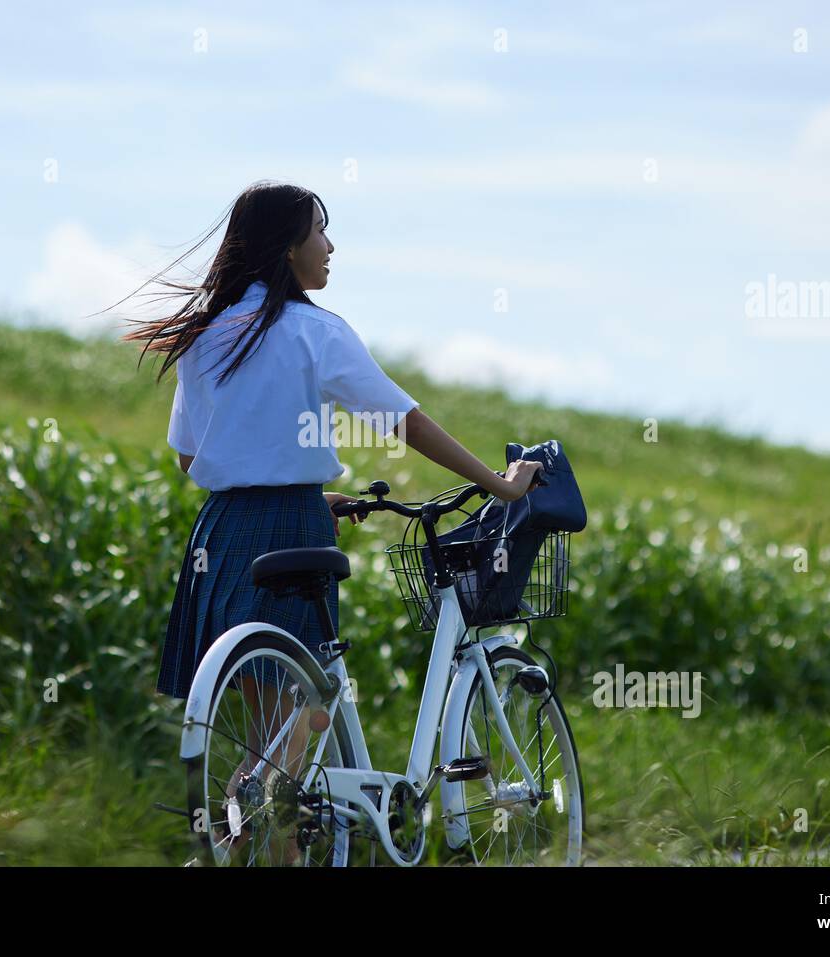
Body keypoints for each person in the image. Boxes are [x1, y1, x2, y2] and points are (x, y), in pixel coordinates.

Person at [122, 179, 543, 861]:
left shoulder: (206, 334)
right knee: (299, 711)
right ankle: (247, 810)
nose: (331, 245)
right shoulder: (315, 330)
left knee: (275, 716)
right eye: (320, 231)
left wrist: (285, 485)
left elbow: (191, 455)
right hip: (292, 531)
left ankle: (264, 832)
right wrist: (499, 483)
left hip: (222, 531)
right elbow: (404, 421)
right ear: (290, 248)